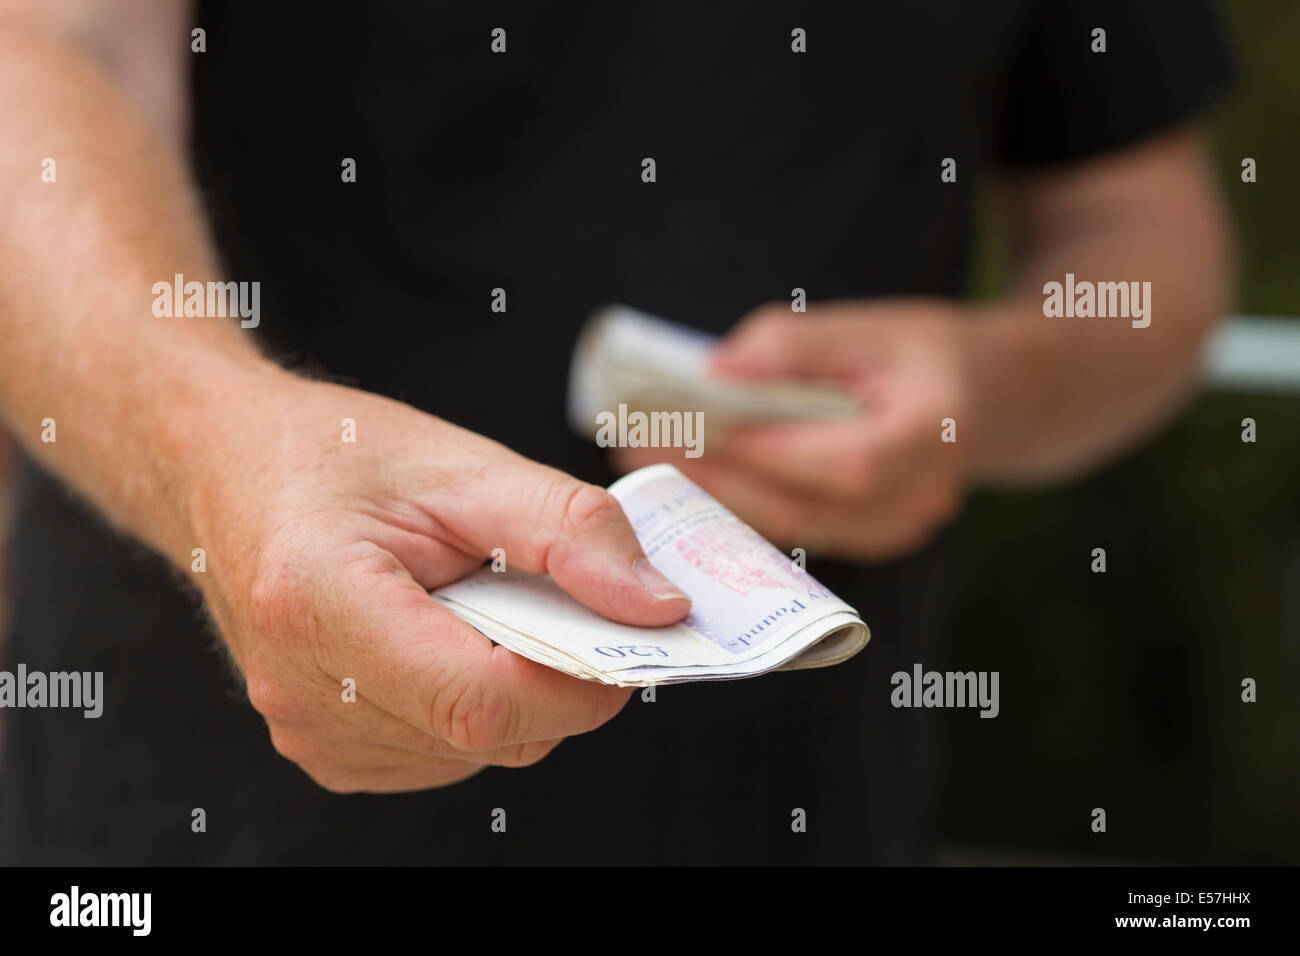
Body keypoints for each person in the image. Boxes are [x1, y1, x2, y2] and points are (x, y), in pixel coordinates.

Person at [0, 1, 1232, 864]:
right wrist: (219, 449)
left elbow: (1140, 225)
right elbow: (44, 48)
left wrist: (995, 380)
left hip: (799, 804)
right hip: (185, 810)